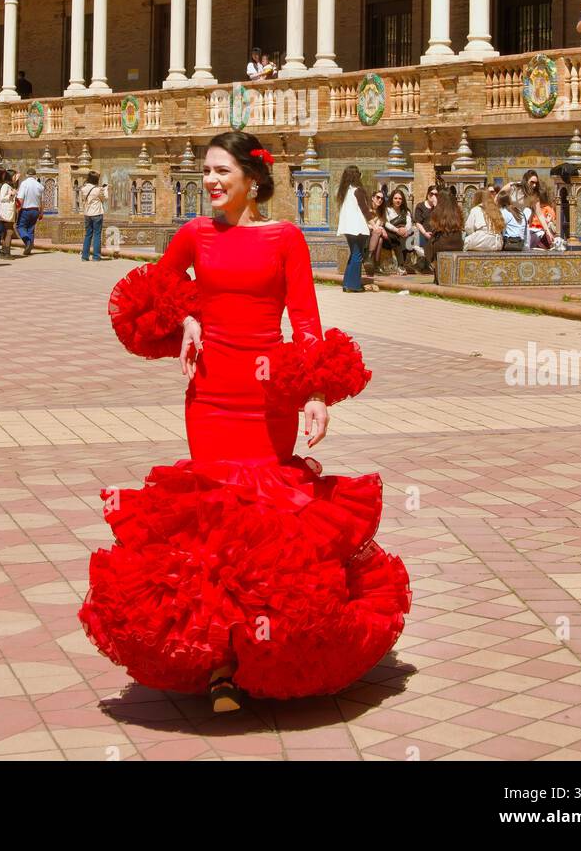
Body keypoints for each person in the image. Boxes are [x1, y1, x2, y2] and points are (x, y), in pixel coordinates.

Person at [79, 130, 411, 712]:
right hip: (209, 395)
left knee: (265, 520)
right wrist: (187, 320)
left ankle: (264, 649)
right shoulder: (194, 234)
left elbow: (305, 319)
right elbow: (160, 288)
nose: (209, 181)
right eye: (206, 171)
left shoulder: (284, 238)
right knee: (211, 524)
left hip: (267, 398)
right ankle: (221, 662)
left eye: (219, 171)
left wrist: (313, 393)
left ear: (251, 180)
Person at [336, 164, 372, 293]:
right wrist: (373, 222)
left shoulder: (345, 191)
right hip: (357, 228)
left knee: (354, 254)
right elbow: (364, 209)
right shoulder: (358, 190)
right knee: (357, 255)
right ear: (357, 176)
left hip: (348, 228)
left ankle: (348, 283)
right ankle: (353, 285)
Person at [425, 191, 464, 283]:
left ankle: (436, 274)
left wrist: (434, 207)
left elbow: (434, 226)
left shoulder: (438, 211)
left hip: (442, 244)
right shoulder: (457, 211)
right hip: (457, 243)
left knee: (430, 245)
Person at [521, 170, 558, 249]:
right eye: (532, 182)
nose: (534, 185)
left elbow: (540, 215)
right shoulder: (514, 187)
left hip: (531, 230)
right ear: (526, 180)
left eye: (536, 183)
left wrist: (548, 232)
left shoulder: (537, 199)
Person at [385, 187, 415, 273]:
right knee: (397, 240)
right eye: (396, 198)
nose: (398, 200)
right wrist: (397, 230)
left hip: (404, 232)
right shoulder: (387, 210)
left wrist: (405, 230)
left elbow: (409, 223)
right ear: (392, 199)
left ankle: (401, 266)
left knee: (406, 239)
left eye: (400, 198)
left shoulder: (406, 211)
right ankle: (401, 265)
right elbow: (386, 223)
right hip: (391, 232)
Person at [80, 170, 108, 262]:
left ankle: (85, 256)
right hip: (97, 213)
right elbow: (104, 199)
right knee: (96, 235)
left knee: (88, 235)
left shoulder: (83, 189)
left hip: (87, 214)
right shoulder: (98, 190)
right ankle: (96, 257)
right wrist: (106, 189)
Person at [16, 168, 44, 255]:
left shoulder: (24, 184)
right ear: (35, 176)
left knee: (20, 227)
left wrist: (17, 210)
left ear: (27, 175)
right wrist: (41, 212)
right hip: (35, 210)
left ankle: (27, 241)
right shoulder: (39, 185)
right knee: (31, 229)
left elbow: (20, 199)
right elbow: (42, 201)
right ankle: (29, 247)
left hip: (26, 210)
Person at [0, 169, 19, 258]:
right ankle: (6, 252)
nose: (15, 178)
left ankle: (5, 251)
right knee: (9, 231)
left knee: (7, 232)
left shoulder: (9, 185)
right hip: (6, 212)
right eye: (14, 176)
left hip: (9, 211)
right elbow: (2, 198)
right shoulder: (5, 186)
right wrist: (11, 194)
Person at [366, 190, 394, 272]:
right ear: (372, 198)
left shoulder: (381, 211)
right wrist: (379, 229)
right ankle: (374, 262)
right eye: (378, 197)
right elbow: (363, 222)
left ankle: (372, 260)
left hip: (375, 233)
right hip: (365, 230)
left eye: (382, 198)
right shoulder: (366, 208)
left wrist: (380, 229)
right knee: (378, 233)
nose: (380, 200)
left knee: (380, 239)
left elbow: (379, 224)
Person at [497, 187, 530, 251]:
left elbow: (499, 228)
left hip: (509, 243)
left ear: (499, 201)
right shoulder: (518, 211)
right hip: (521, 243)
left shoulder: (503, 211)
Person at [413, 184, 438, 258]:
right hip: (423, 233)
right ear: (427, 194)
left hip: (435, 234)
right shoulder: (420, 206)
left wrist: (436, 206)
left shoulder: (438, 207)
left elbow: (440, 220)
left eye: (436, 194)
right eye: (431, 194)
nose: (433, 196)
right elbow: (418, 222)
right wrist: (425, 233)